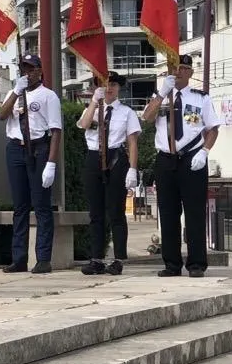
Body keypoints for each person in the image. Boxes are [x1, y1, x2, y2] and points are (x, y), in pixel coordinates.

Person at [141, 54, 219, 278]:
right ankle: (172, 264)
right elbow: (147, 118)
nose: (179, 72)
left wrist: (204, 151)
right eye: (175, 68)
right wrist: (162, 93)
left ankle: (196, 264)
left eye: (184, 68)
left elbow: (213, 128)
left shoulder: (200, 98)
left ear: (191, 73)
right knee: (167, 213)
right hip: (166, 158)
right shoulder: (160, 96)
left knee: (194, 213)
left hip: (192, 158)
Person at [0, 53, 63, 274]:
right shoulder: (15, 93)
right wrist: (16, 92)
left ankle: (43, 258)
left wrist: (51, 163)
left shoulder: (48, 96)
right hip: (16, 148)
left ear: (40, 71)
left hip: (38, 148)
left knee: (41, 205)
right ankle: (19, 258)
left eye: (32, 69)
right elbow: (2, 115)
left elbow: (56, 131)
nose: (28, 73)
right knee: (20, 207)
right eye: (24, 69)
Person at [76, 72, 141, 275]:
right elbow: (84, 125)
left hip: (116, 158)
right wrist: (94, 103)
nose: (109, 88)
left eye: (112, 84)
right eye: (104, 84)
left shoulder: (126, 112)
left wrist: (132, 169)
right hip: (93, 157)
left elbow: (132, 143)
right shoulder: (92, 109)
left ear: (119, 87)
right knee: (96, 213)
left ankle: (118, 259)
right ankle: (96, 258)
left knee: (116, 212)